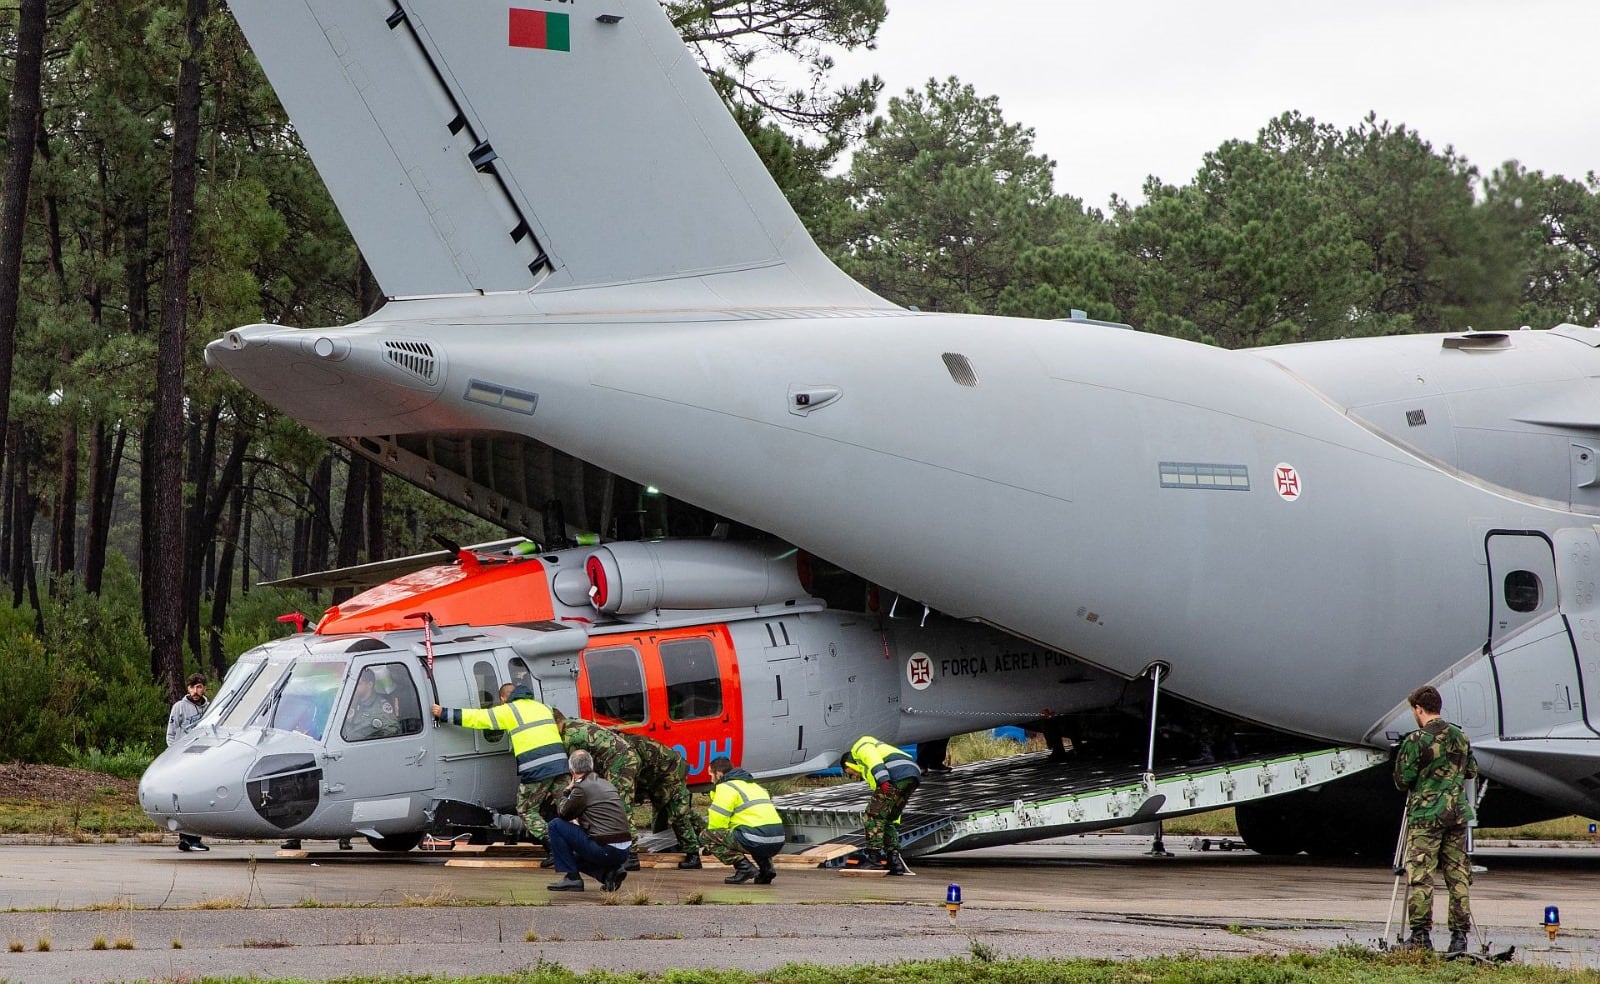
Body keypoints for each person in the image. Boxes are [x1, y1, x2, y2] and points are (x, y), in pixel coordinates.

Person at [1393, 684, 1478, 955]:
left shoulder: (1416, 740)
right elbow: (1471, 771)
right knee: (1458, 876)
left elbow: (1402, 780)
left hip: (1426, 815)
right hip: (1456, 814)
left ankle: (1420, 935)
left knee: (1421, 875)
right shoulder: (1460, 737)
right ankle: (1460, 938)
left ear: (1419, 709)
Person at [434, 682, 569, 846]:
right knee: (568, 807)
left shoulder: (508, 710)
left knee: (527, 809)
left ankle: (554, 843)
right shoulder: (543, 707)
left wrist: (443, 713)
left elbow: (477, 718)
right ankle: (586, 839)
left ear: (503, 698)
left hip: (537, 768)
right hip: (561, 764)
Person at [557, 712, 643, 865]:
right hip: (625, 757)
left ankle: (632, 855)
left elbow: (576, 769)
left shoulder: (570, 737)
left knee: (621, 805)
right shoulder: (574, 723)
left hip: (620, 761)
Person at [545, 749, 632, 892]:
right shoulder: (606, 784)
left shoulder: (582, 788)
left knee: (555, 826)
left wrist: (567, 791)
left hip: (606, 849)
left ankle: (572, 879)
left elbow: (563, 813)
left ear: (571, 769)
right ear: (591, 766)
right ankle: (609, 875)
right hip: (624, 851)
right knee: (571, 855)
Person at [621, 731, 704, 868]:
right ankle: (702, 840)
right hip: (655, 777)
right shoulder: (620, 745)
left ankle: (694, 854)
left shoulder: (625, 748)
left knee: (678, 813)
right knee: (665, 814)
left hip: (670, 772)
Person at [840, 735, 921, 874]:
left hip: (895, 774)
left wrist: (883, 779)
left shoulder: (859, 747)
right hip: (912, 774)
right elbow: (888, 811)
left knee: (872, 816)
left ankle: (875, 860)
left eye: (850, 774)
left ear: (847, 764)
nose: (854, 776)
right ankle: (894, 862)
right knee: (886, 818)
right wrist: (894, 821)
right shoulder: (868, 773)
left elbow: (873, 759)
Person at [703, 756, 784, 884]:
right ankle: (766, 869)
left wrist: (711, 844)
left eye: (711, 775)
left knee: (706, 836)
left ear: (718, 774)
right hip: (778, 839)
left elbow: (717, 824)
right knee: (751, 834)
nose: (711, 779)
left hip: (755, 838)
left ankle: (744, 868)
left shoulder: (726, 787)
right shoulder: (754, 786)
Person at [167, 673, 210, 852]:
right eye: (192, 687)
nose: (195, 691)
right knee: (185, 798)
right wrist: (174, 753)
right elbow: (171, 733)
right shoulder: (179, 707)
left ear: (204, 688)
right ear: (188, 689)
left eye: (199, 687)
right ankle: (186, 837)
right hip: (184, 758)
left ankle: (194, 838)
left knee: (199, 797)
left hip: (203, 758)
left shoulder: (210, 708)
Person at [342, 669, 402, 741]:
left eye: (359, 684)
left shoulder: (379, 706)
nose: (354, 687)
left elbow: (394, 729)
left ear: (369, 685)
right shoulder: (351, 701)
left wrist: (370, 737)